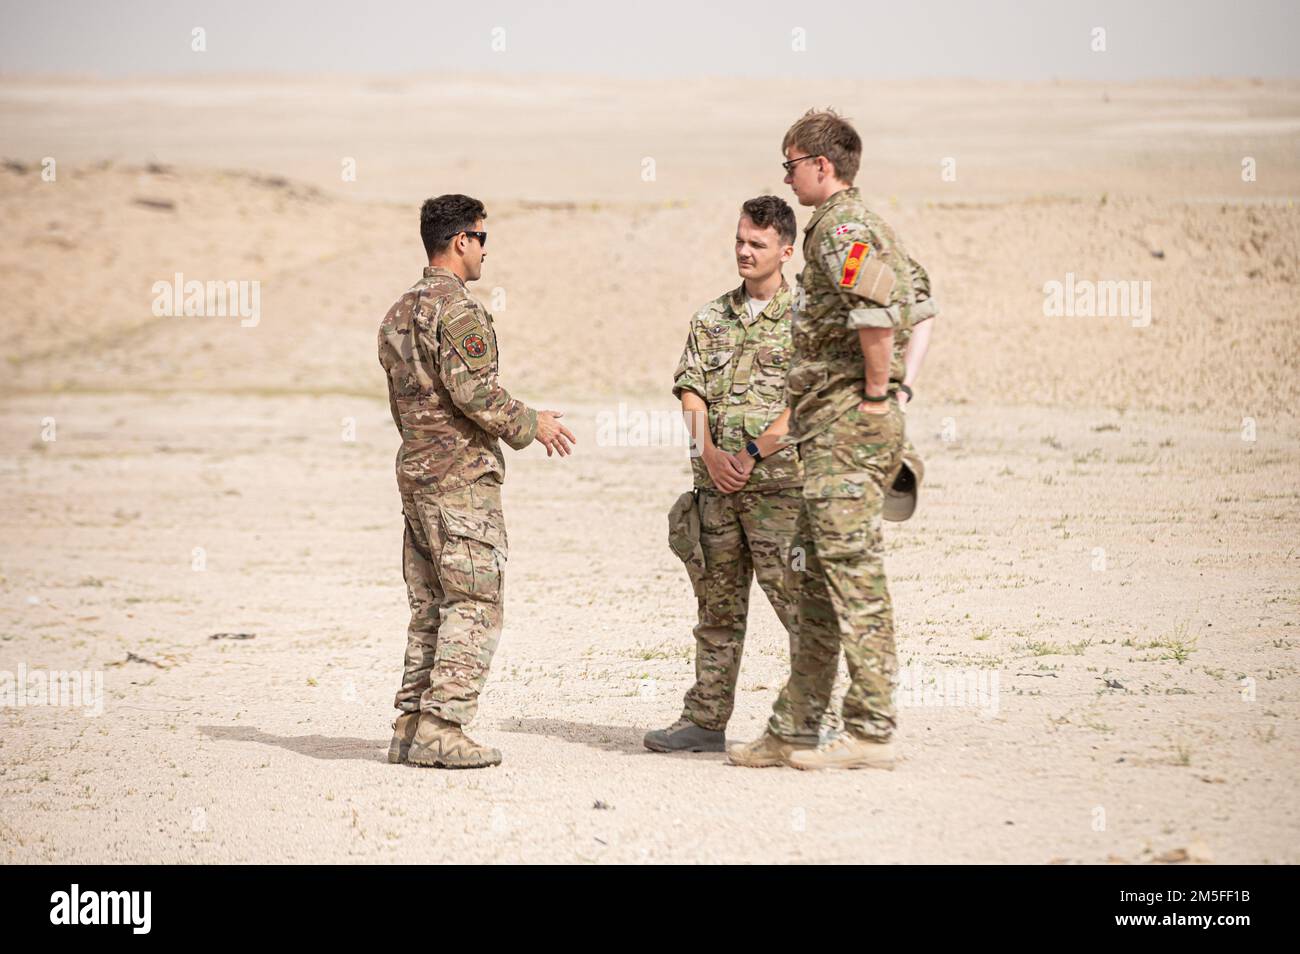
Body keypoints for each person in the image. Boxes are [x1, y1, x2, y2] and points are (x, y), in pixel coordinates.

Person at [729, 110, 932, 771]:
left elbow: (879, 313)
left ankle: (870, 730)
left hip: (848, 426)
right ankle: (794, 728)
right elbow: (921, 303)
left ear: (821, 165)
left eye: (790, 166)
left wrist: (878, 397)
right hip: (831, 425)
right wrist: (900, 390)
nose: (785, 180)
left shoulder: (842, 228)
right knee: (815, 582)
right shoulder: (857, 227)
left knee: (853, 576)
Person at [378, 194, 575, 769]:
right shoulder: (457, 310)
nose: (486, 250)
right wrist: (530, 423)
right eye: (482, 238)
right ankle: (444, 725)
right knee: (475, 601)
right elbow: (475, 394)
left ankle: (412, 724)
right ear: (461, 240)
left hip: (417, 477)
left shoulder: (398, 312)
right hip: (458, 480)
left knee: (432, 605)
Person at [646, 195, 818, 754]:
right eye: (740, 241)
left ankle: (813, 721)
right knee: (716, 612)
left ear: (785, 251)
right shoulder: (710, 317)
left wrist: (749, 453)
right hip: (716, 493)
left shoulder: (805, 319)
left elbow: (807, 399)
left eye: (757, 244)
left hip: (778, 494)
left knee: (799, 606)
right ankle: (705, 720)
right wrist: (712, 454)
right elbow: (690, 388)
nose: (744, 252)